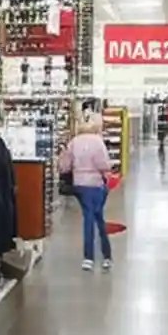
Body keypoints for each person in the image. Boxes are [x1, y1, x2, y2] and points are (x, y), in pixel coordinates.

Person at [58, 113, 114, 272]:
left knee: (88, 218)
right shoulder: (98, 142)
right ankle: (105, 257)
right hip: (96, 185)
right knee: (98, 219)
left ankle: (89, 258)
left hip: (79, 186)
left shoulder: (74, 142)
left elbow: (65, 166)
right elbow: (104, 165)